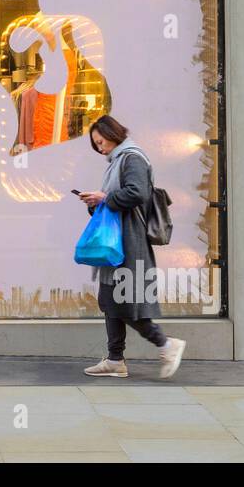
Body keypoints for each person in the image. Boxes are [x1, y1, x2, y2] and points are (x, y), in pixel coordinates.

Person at [78, 114, 186, 379]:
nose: (100, 148)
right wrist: (97, 203)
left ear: (112, 134)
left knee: (125, 301)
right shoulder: (118, 161)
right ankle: (115, 360)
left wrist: (105, 197)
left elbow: (138, 193)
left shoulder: (132, 158)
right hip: (116, 242)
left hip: (129, 241)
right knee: (110, 299)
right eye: (96, 145)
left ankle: (166, 344)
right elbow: (119, 200)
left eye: (100, 142)